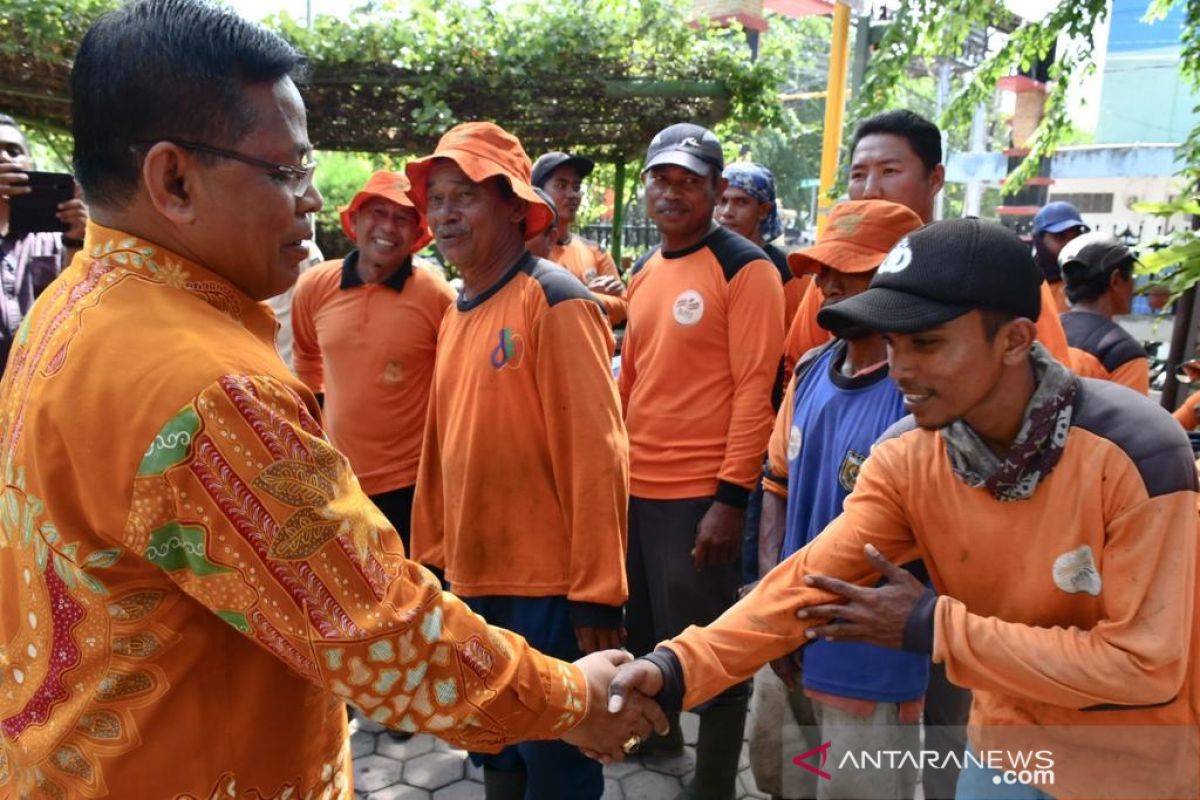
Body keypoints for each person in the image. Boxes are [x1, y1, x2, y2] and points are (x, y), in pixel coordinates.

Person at [0, 4, 664, 797]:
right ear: (173, 179)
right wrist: (573, 698)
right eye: (287, 172)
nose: (313, 201)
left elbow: (594, 450)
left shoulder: (69, 307)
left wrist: (593, 592)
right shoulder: (212, 386)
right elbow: (378, 629)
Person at [610, 218, 1200, 800]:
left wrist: (933, 626)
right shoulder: (909, 456)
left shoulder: (1139, 454)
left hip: (1135, 763)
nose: (900, 368)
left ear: (1016, 340)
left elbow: (1144, 668)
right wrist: (677, 669)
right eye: (892, 343)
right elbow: (808, 581)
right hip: (1006, 745)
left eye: (926, 342)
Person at [407, 122, 630, 800]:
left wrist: (598, 592)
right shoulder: (457, 309)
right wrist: (432, 564)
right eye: (436, 197)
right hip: (474, 580)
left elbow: (598, 454)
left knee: (559, 759)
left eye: (464, 196)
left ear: (512, 205)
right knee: (497, 745)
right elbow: (439, 447)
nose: (445, 213)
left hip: (547, 590)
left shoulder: (555, 299)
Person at [620, 122, 785, 799]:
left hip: (699, 495)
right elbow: (632, 379)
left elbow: (756, 390)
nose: (672, 190)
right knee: (648, 628)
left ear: (718, 190)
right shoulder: (646, 270)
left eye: (690, 179)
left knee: (713, 648)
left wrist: (731, 498)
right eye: (661, 177)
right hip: (636, 486)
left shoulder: (746, 268)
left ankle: (714, 781)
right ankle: (659, 738)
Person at [751, 200, 925, 800]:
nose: (824, 284)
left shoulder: (920, 395)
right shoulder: (810, 369)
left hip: (872, 657)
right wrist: (776, 608)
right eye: (822, 268)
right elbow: (776, 486)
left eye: (847, 271)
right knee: (788, 781)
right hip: (794, 633)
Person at [782, 110, 1070, 379]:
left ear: (934, 179)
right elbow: (799, 367)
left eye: (889, 171)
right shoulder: (832, 273)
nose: (870, 190)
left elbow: (1048, 382)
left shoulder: (991, 265)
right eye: (858, 175)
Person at [291, 170, 454, 553]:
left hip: (413, 485)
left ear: (417, 234)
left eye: (402, 219)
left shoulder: (435, 295)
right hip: (340, 479)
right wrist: (318, 434)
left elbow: (456, 376)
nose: (388, 228)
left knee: (413, 593)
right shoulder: (314, 286)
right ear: (356, 220)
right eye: (377, 213)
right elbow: (307, 357)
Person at [0, 113, 89, 374]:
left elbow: (77, 306)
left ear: (29, 163)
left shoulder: (57, 236)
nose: (5, 158)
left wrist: (77, 240)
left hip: (38, 388)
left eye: (14, 151)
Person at [532, 150, 627, 325]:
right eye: (561, 186)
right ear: (538, 191)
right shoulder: (525, 250)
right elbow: (531, 306)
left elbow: (623, 307)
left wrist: (578, 298)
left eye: (576, 187)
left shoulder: (595, 252)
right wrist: (585, 293)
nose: (572, 194)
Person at [1057, 232, 1149, 394]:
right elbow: (1130, 419)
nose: (1134, 287)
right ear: (1116, 280)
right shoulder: (1124, 355)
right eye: (1131, 276)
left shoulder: (1044, 333)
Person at [717, 161, 807, 323]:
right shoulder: (707, 261)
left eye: (741, 202)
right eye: (722, 201)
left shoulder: (790, 274)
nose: (727, 212)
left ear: (763, 210)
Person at [1032, 200, 1088, 314]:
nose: (1070, 243)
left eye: (1076, 236)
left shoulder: (1090, 281)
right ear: (1040, 240)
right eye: (1060, 236)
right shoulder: (1026, 281)